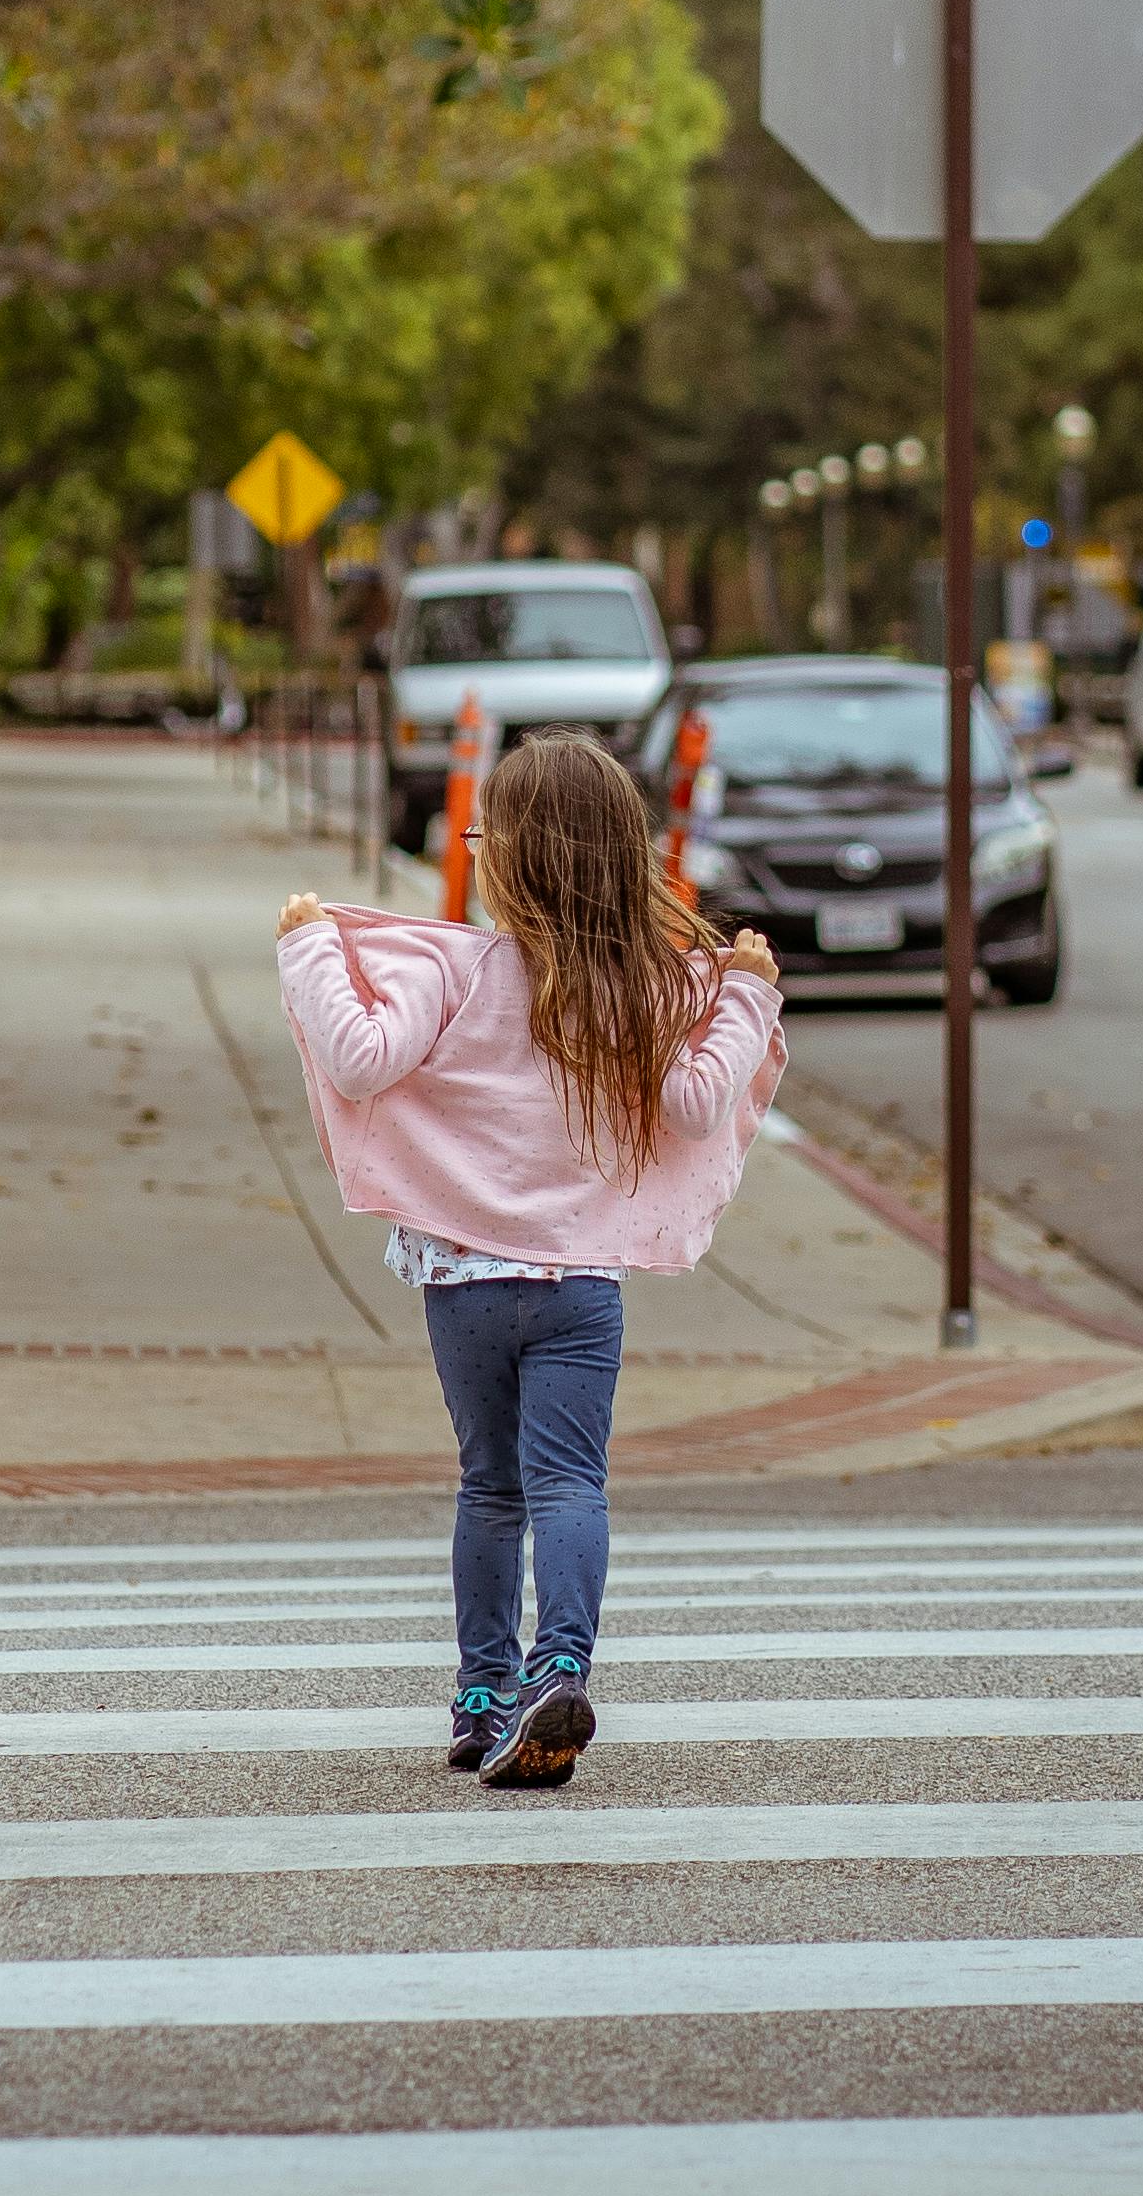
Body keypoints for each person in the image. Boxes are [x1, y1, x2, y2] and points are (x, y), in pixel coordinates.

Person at [275, 733, 781, 1788]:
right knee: (569, 1484)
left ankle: (479, 1695)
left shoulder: (454, 970)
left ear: (501, 857)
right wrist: (743, 993)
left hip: (464, 1282)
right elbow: (698, 1101)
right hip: (581, 1288)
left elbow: (357, 1057)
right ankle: (562, 1668)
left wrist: (309, 942)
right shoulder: (643, 990)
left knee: (488, 1487)